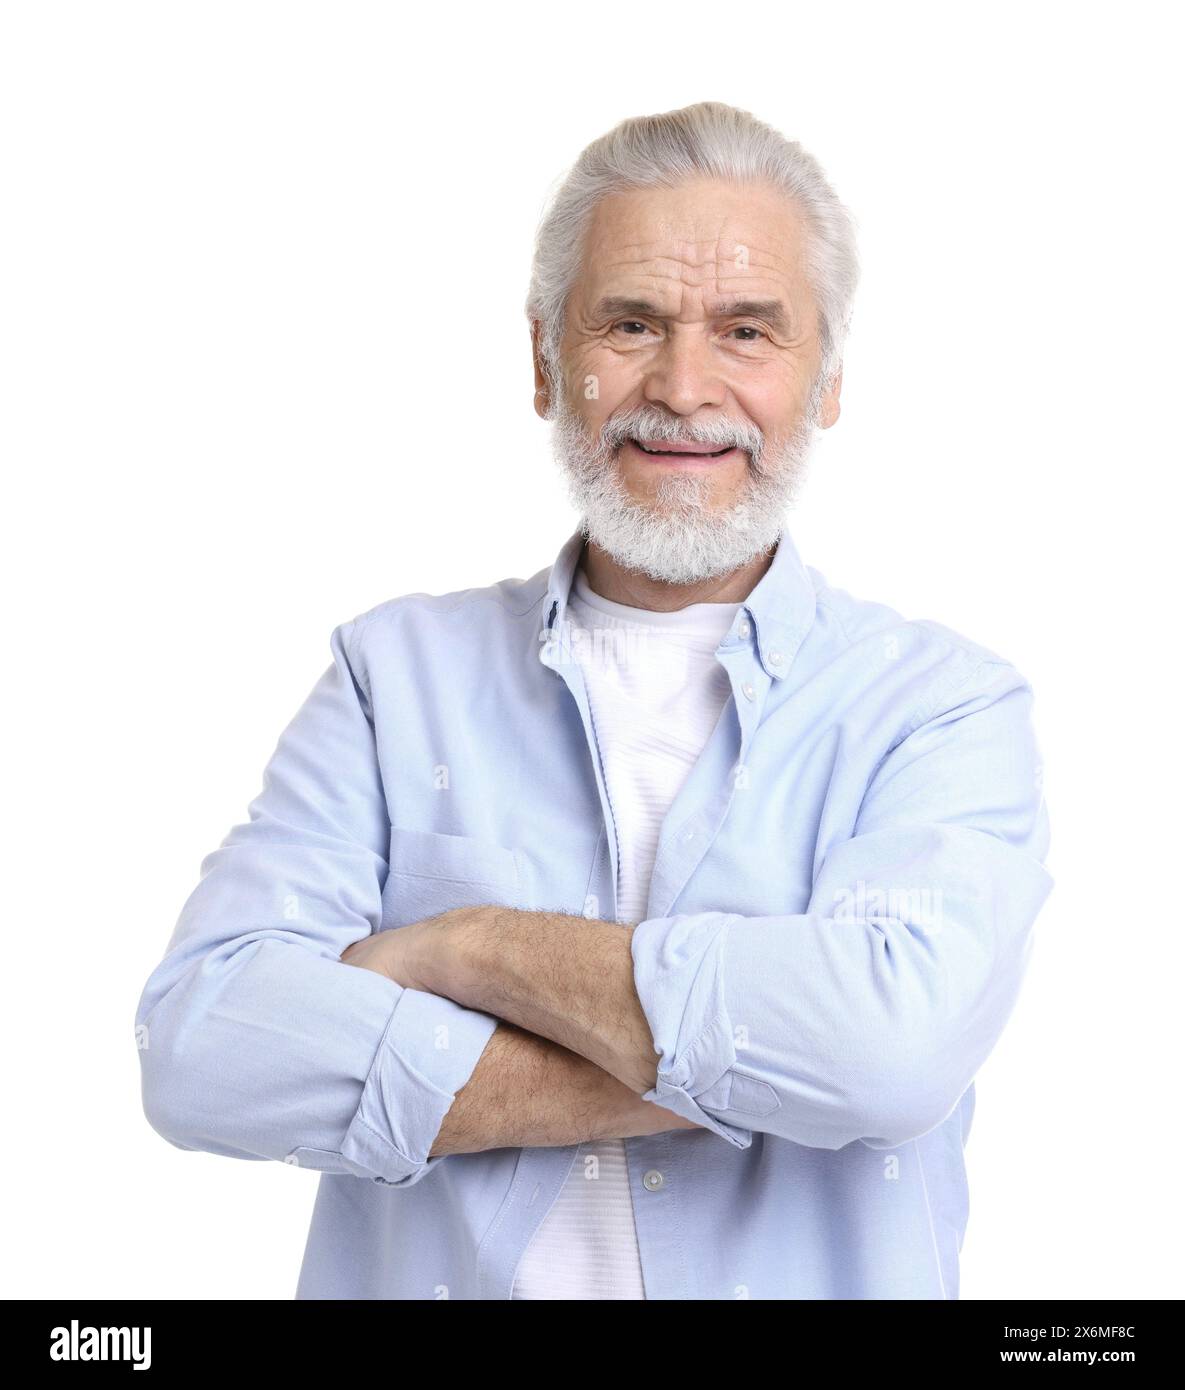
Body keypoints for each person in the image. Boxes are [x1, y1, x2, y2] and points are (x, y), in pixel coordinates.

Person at [135, 100, 1053, 1300]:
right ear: (541, 361)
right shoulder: (389, 678)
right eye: (630, 322)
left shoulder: (944, 708)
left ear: (826, 378)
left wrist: (465, 945)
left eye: (746, 330)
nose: (682, 387)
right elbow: (205, 1051)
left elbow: (891, 1052)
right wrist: (753, 1064)